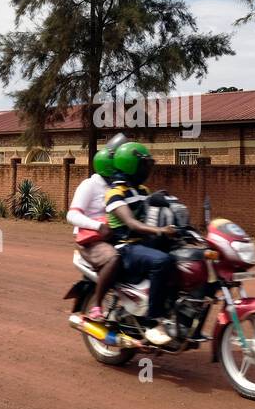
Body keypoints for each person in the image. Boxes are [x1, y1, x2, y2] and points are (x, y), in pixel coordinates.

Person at [104, 141, 178, 345]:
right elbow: (132, 223)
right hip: (126, 247)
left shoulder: (142, 190)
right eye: (144, 165)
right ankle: (152, 323)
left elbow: (156, 208)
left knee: (183, 256)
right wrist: (160, 231)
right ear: (130, 165)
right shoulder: (114, 193)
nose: (147, 170)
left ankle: (175, 311)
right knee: (162, 262)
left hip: (145, 244)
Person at [66, 133, 126, 323]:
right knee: (114, 259)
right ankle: (97, 307)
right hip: (92, 241)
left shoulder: (120, 186)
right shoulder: (90, 184)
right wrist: (98, 226)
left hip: (115, 237)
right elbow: (72, 215)